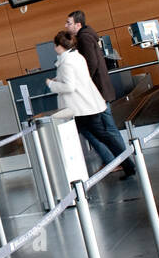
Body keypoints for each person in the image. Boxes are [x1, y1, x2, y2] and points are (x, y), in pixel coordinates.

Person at [47, 30, 134, 176]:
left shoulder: (66, 62)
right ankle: (122, 164)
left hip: (82, 108)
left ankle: (127, 165)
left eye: (55, 45)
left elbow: (70, 86)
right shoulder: (76, 57)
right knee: (97, 135)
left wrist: (51, 84)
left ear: (59, 46)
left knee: (101, 135)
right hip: (86, 105)